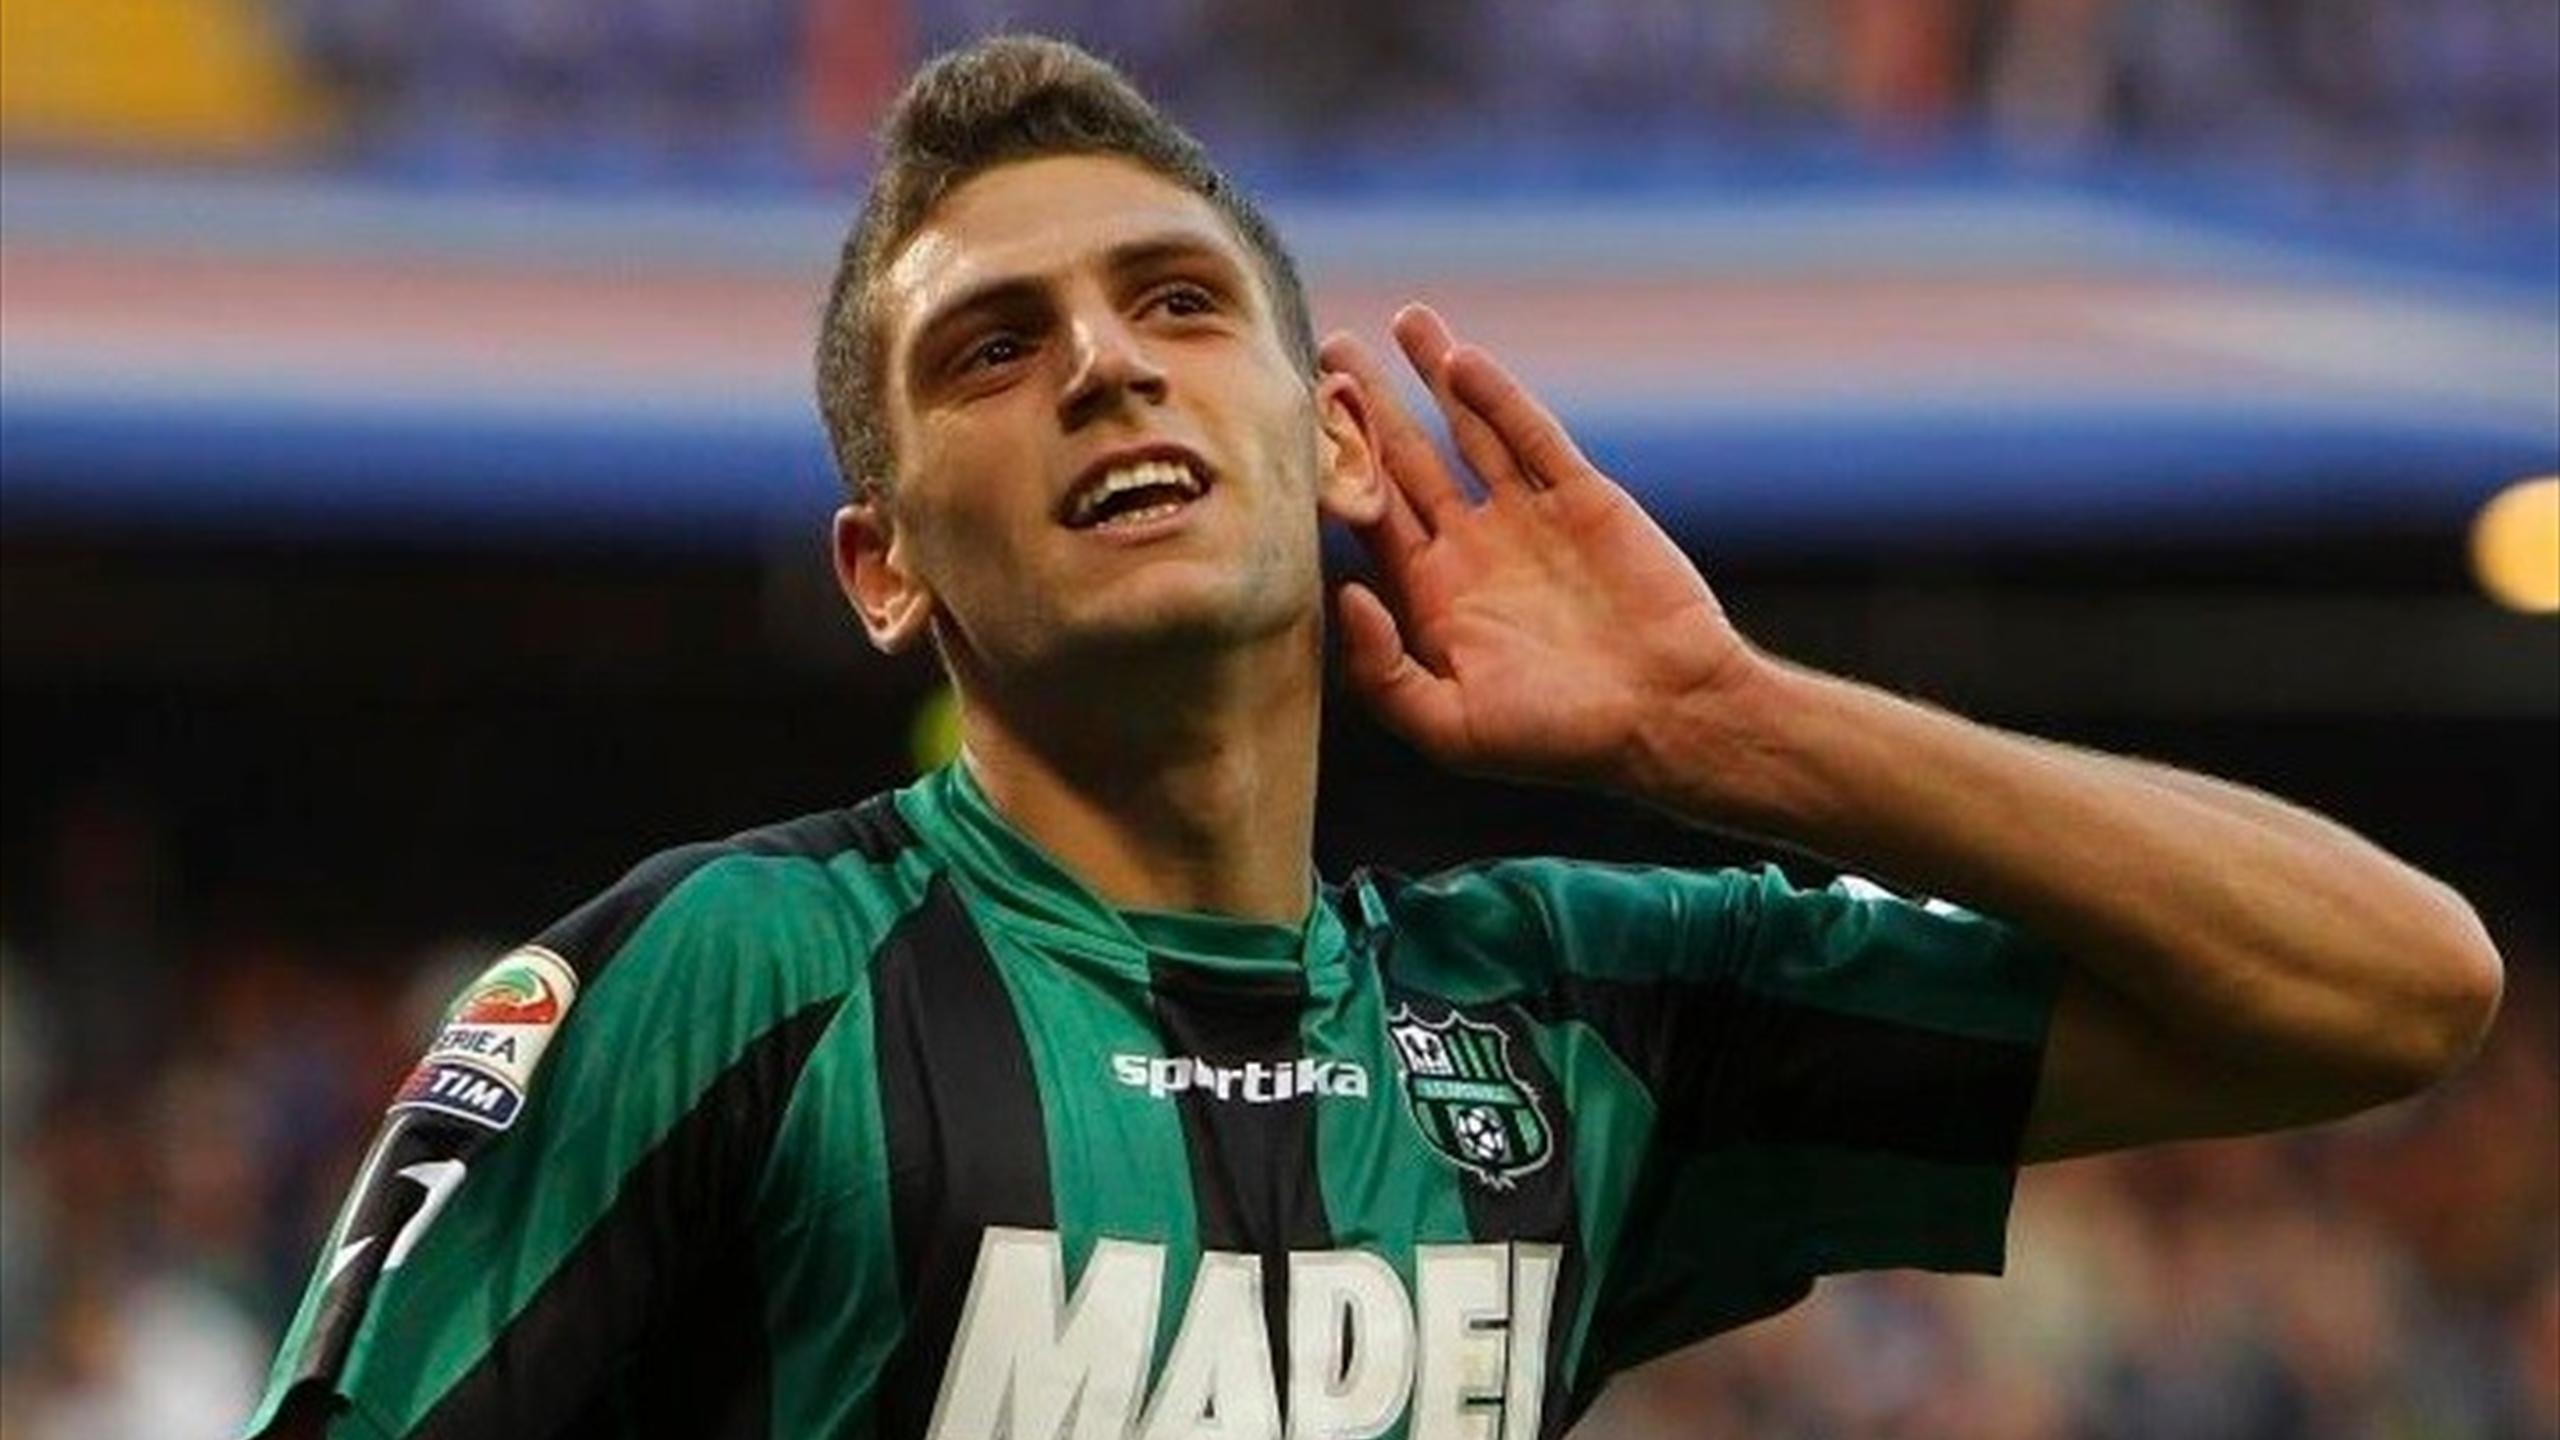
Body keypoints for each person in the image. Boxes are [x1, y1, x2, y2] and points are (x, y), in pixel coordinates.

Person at [241, 33, 2504, 1440]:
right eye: (993, 350)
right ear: (884, 568)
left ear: (1333, 440)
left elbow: (2387, 989)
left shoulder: (1570, 1020)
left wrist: (1736, 726)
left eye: (1174, 302)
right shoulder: (722, 980)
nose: (1103, 366)